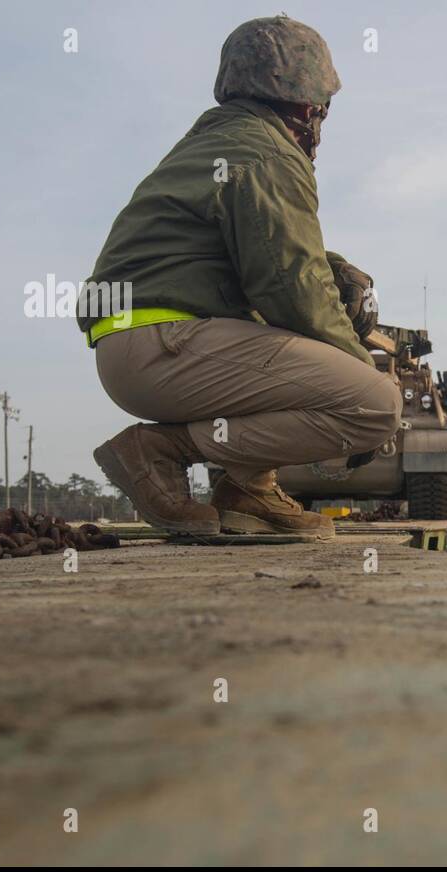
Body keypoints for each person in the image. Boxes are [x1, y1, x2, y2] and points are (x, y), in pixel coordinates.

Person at [78, 15, 401, 540]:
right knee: (375, 405)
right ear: (308, 103)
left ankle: (248, 489)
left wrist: (331, 266)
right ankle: (159, 451)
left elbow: (263, 253)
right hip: (164, 345)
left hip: (144, 345)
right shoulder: (267, 153)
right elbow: (292, 289)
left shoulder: (225, 141)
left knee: (292, 353)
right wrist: (362, 366)